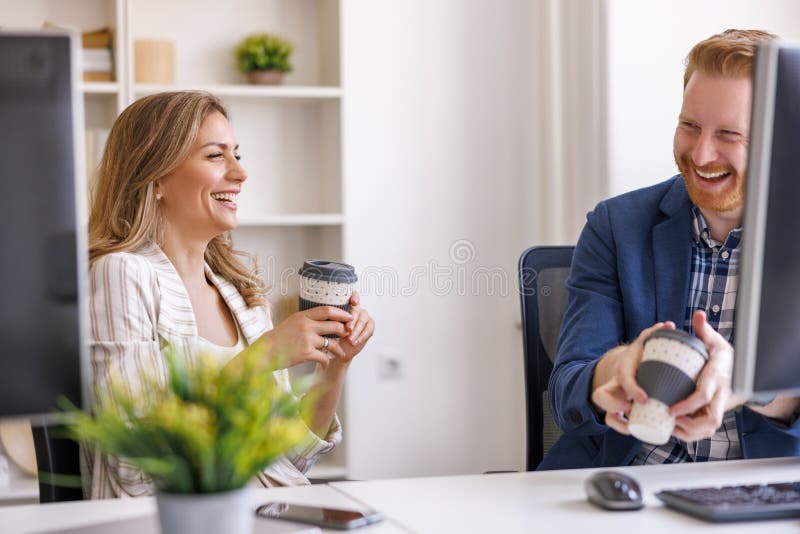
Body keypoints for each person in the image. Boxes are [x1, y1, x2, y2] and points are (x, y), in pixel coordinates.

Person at [85, 91, 375, 497]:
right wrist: (260, 360)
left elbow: (287, 460)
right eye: (216, 156)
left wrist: (334, 367)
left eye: (237, 154)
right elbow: (135, 465)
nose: (240, 173)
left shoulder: (239, 292)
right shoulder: (121, 273)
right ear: (154, 178)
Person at [541, 29, 800, 470]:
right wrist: (621, 365)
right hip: (625, 481)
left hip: (757, 493)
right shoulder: (616, 226)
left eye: (729, 135)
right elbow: (567, 389)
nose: (700, 154)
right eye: (690, 126)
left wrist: (749, 383)